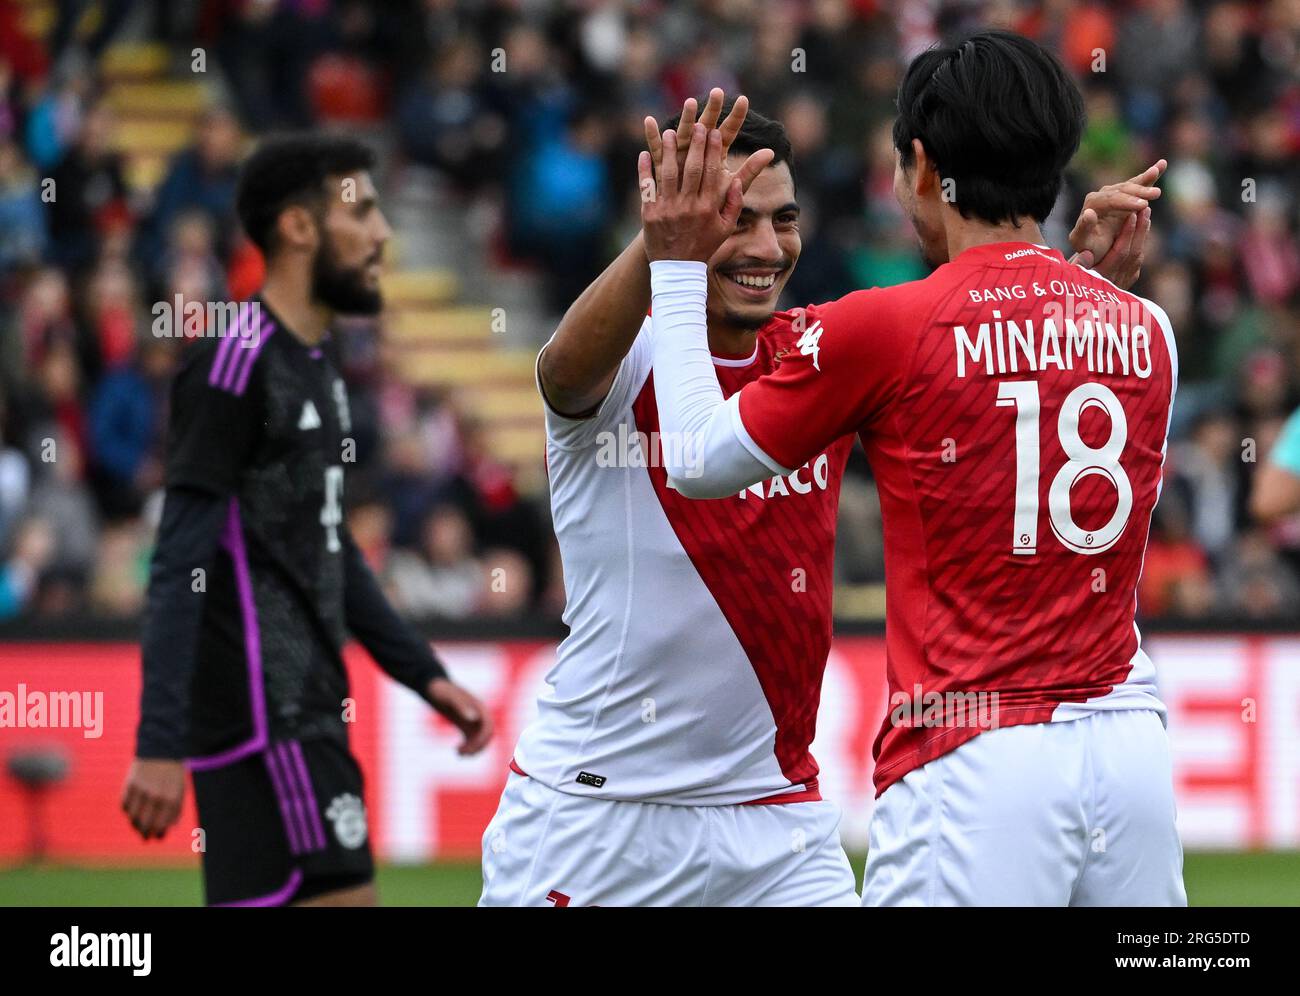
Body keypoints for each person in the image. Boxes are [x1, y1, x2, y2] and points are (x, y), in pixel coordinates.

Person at [480, 85, 1160, 906]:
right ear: (679, 230)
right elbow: (560, 373)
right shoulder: (628, 358)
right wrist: (662, 247)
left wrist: (1072, 284)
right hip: (599, 813)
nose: (767, 244)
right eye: (734, 219)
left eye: (785, 218)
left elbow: (983, 360)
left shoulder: (819, 352)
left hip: (780, 825)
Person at [121, 134, 492, 907]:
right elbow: (179, 559)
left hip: (312, 712)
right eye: (361, 210)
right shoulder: (235, 361)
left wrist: (421, 673)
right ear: (298, 227)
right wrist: (159, 741)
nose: (383, 233)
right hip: (264, 722)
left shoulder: (319, 370)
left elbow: (331, 552)